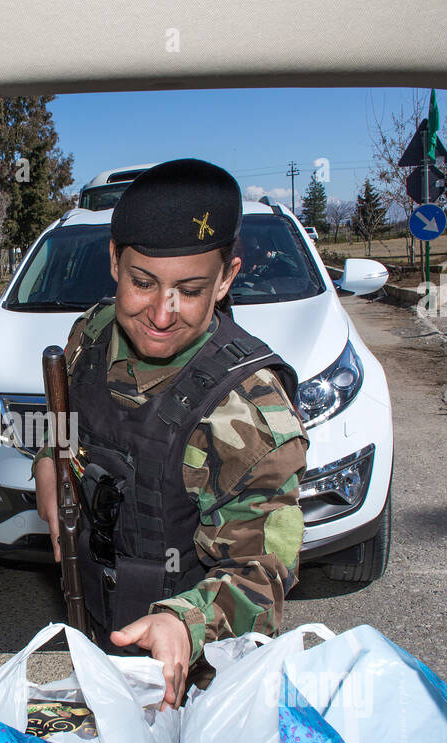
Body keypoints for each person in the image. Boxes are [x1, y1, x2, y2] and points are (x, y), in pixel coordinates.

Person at [33, 158, 309, 709]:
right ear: (114, 261)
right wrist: (46, 459)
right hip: (96, 623)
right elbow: (59, 418)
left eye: (190, 288)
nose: (162, 313)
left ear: (227, 277)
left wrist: (187, 624)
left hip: (197, 671)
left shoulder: (248, 411)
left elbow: (265, 571)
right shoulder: (90, 333)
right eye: (143, 283)